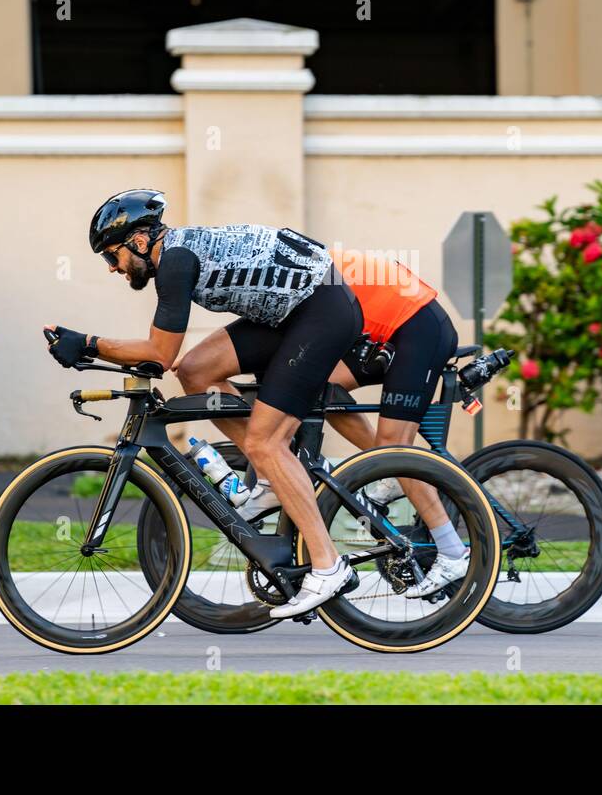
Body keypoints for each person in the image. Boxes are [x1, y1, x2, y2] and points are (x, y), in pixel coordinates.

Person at [45, 189, 363, 619]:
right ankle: (274, 475)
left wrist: (88, 343)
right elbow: (176, 363)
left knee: (264, 443)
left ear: (139, 241)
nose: (112, 269)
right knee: (196, 372)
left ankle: (329, 566)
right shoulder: (177, 253)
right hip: (296, 310)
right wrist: (92, 347)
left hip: (320, 312)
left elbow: (159, 355)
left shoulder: (174, 263)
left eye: (111, 256)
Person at [238, 247, 469, 598]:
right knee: (322, 388)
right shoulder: (285, 274)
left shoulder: (287, 285)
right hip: (382, 328)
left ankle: (452, 552)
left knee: (395, 446)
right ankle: (386, 471)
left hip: (418, 326)